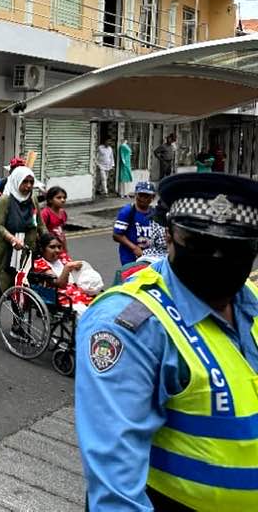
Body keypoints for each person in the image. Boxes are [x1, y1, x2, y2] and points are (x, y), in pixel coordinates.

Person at [76, 173, 258, 511]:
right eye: (200, 245)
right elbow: (116, 490)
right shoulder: (130, 323)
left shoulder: (251, 302)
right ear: (170, 237)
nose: (218, 258)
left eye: (235, 248)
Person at [0, 165, 44, 332]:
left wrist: (50, 241)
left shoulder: (33, 200)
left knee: (22, 288)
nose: (29, 186)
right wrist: (11, 238)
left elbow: (40, 225)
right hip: (6, 251)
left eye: (31, 182)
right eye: (25, 182)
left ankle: (17, 325)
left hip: (25, 251)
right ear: (16, 182)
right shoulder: (5, 201)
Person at [32, 232, 101, 315]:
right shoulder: (40, 263)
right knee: (85, 313)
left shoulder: (63, 257)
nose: (57, 250)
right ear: (43, 249)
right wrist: (67, 268)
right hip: (59, 296)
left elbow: (75, 274)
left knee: (102, 305)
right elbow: (59, 284)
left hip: (77, 291)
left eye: (59, 247)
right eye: (52, 247)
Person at [113, 180, 156, 266]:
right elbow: (117, 235)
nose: (143, 199)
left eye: (147, 196)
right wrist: (134, 248)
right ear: (136, 195)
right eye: (141, 195)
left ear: (153, 197)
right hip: (130, 257)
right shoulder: (128, 211)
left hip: (150, 257)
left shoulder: (154, 213)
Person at [40, 186, 69, 252]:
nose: (62, 200)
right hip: (50, 248)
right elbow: (41, 232)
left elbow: (61, 232)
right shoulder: (45, 213)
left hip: (60, 245)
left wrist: (65, 248)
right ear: (50, 200)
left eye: (64, 198)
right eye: (59, 198)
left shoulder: (63, 212)